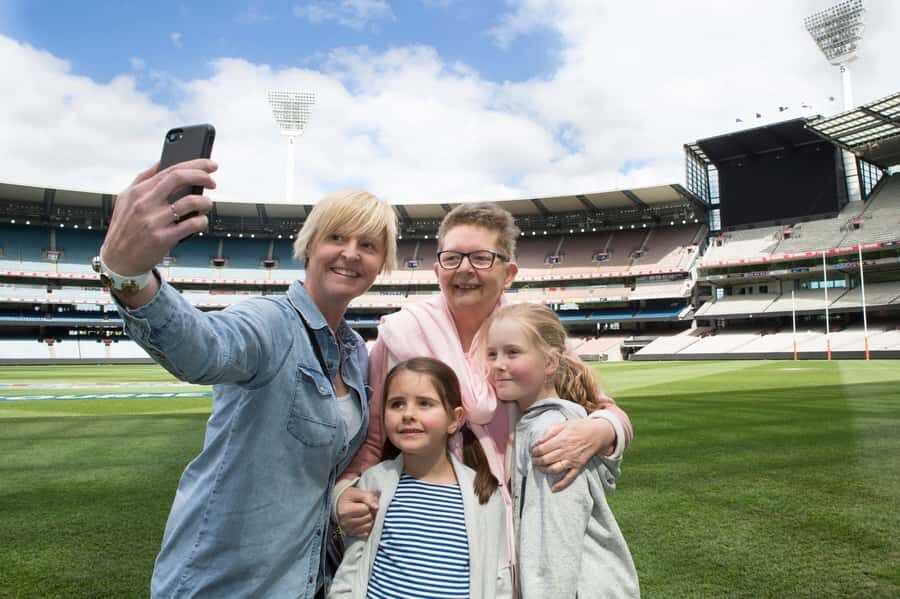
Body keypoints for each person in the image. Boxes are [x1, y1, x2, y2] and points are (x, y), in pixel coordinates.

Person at [98, 158, 397, 597]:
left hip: (306, 578)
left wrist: (338, 503)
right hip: (226, 580)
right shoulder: (269, 321)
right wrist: (128, 276)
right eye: (336, 237)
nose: (351, 252)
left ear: (380, 264)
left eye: (369, 245)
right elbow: (202, 348)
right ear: (310, 245)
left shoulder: (355, 355)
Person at [335, 203, 634, 552]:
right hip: (433, 520)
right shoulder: (402, 332)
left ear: (509, 273)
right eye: (452, 258)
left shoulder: (532, 330)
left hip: (522, 521)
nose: (464, 270)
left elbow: (605, 409)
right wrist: (344, 493)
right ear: (437, 269)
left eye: (480, 258)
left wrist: (600, 430)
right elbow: (374, 436)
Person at [486, 303, 640, 598]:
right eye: (492, 354)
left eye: (512, 352)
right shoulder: (546, 420)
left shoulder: (551, 434)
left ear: (550, 364)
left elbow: (552, 547)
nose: (497, 364)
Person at [329, 357, 512, 599]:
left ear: (455, 419)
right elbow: (349, 556)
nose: (408, 414)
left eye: (425, 403)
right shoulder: (375, 482)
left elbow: (499, 576)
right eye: (397, 404)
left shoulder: (484, 494)